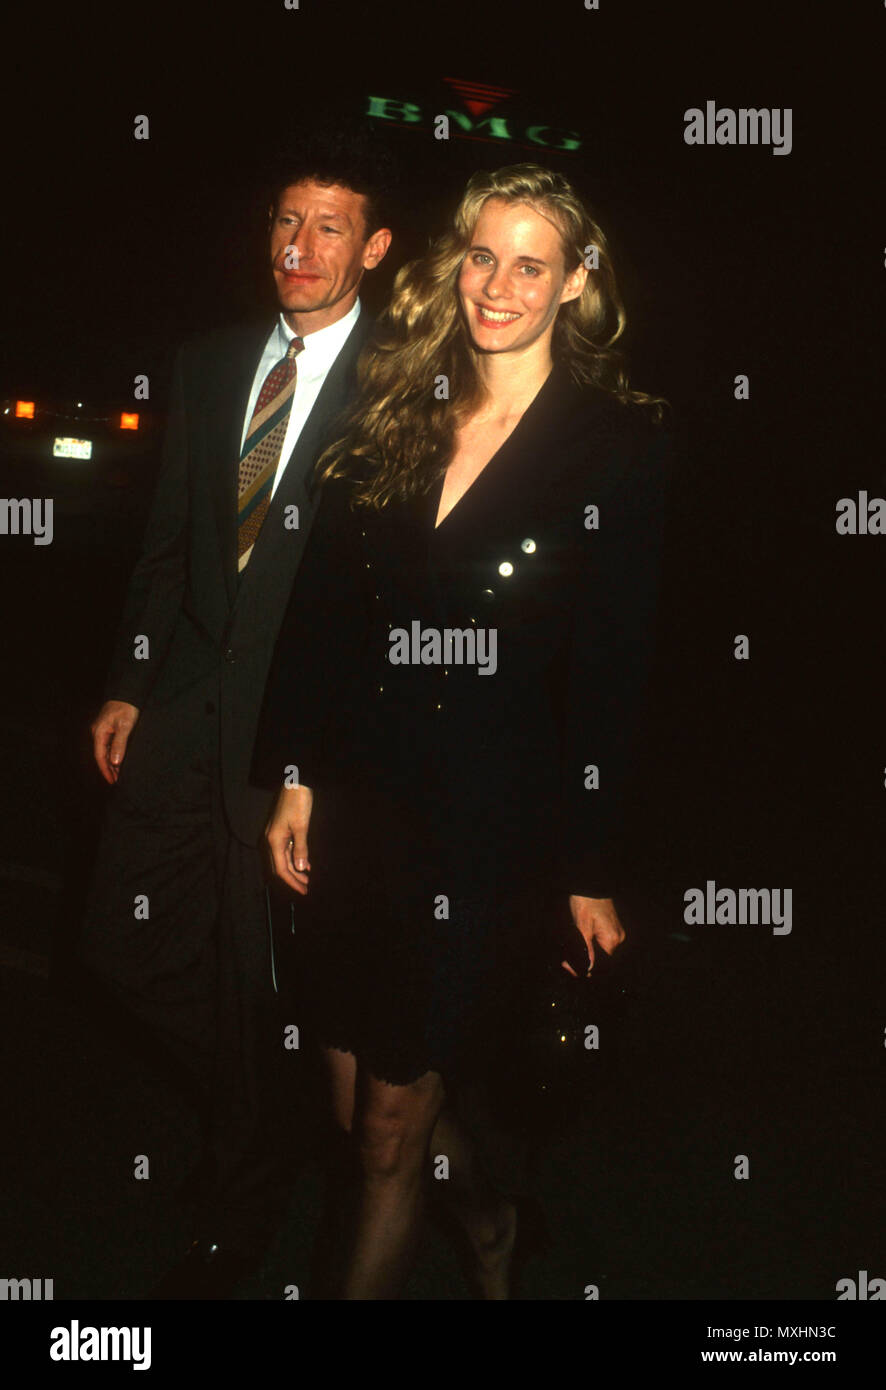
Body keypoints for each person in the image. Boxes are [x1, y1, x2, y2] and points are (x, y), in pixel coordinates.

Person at [251, 163, 672, 1299]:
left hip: (485, 824)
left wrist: (589, 866)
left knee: (389, 1129)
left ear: (574, 283)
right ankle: (487, 1217)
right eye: (482, 255)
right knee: (361, 1115)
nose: (498, 284)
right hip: (358, 802)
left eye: (530, 263)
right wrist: (294, 775)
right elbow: (326, 608)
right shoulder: (400, 398)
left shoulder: (616, 444)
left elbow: (612, 674)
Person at [78, 124, 394, 1298]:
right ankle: (282, 1108)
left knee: (250, 976)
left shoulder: (399, 382)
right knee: (120, 947)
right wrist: (127, 677)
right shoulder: (214, 362)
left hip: (297, 734)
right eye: (285, 220)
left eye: (327, 227)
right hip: (183, 702)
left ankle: (241, 1195)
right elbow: (166, 547)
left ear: (373, 247)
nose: (298, 247)